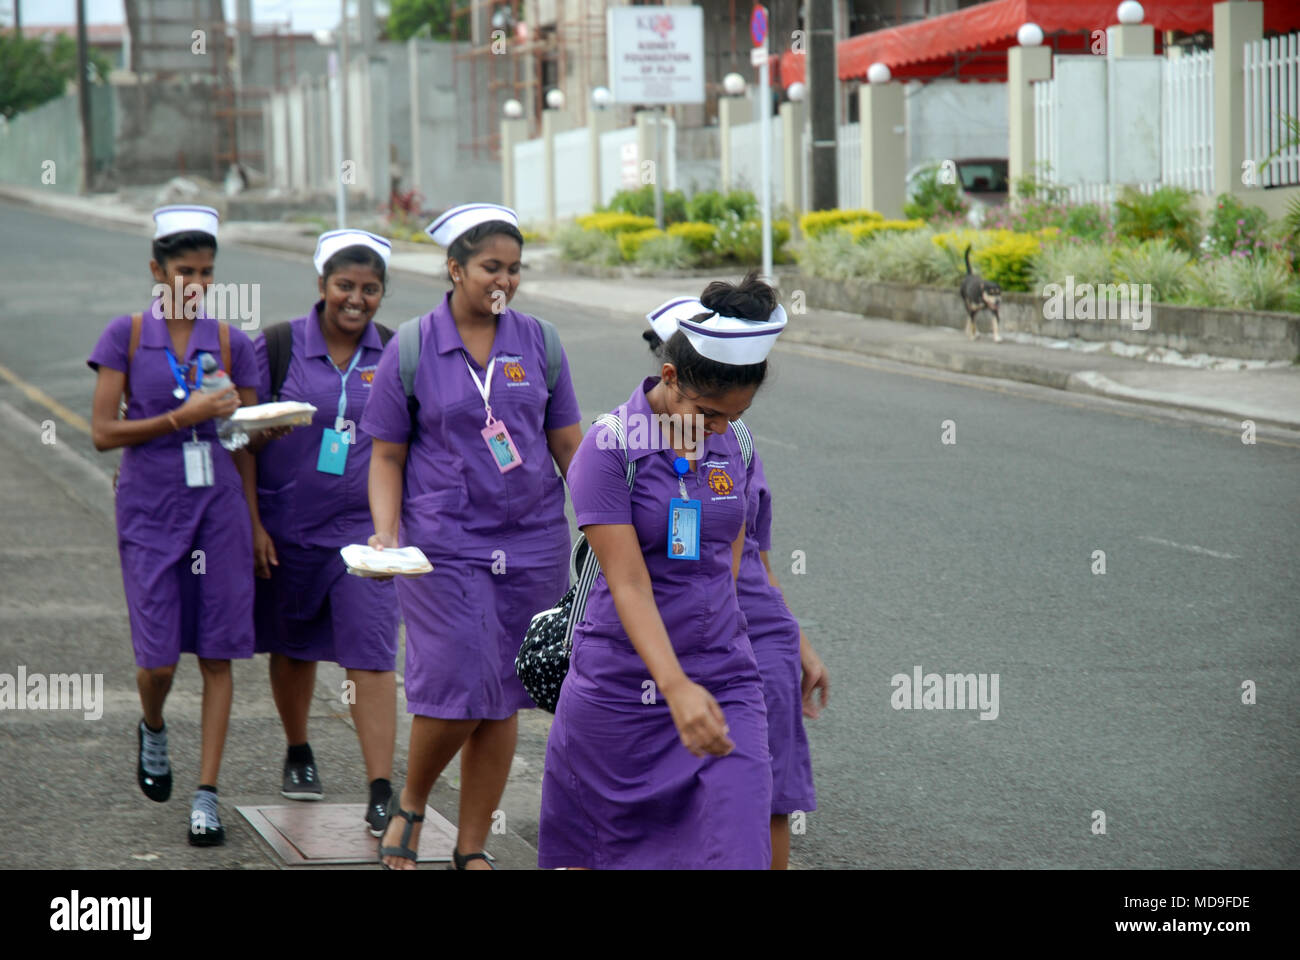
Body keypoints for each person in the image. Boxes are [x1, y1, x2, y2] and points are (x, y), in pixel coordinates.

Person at [537, 273, 788, 870]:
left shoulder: (736, 440)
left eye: (736, 414)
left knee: (736, 852)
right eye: (707, 414)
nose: (720, 429)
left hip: (725, 683)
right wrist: (675, 686)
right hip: (621, 693)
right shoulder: (610, 448)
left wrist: (749, 649)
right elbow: (628, 583)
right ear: (670, 378)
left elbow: (729, 559)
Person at [361, 202, 583, 870]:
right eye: (491, 266)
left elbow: (570, 445)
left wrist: (612, 525)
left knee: (502, 697)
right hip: (443, 548)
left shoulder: (540, 342)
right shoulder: (412, 347)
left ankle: (472, 845)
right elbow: (387, 456)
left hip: (532, 543)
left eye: (514, 269)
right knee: (457, 688)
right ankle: (413, 801)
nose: (504, 281)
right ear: (454, 268)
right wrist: (382, 532)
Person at [87, 204, 259, 847]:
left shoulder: (230, 344)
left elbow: (243, 443)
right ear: (156, 270)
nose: (197, 283)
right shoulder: (126, 336)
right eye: (184, 271)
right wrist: (182, 417)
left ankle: (207, 794)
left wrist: (255, 519)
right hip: (150, 509)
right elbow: (103, 433)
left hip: (218, 511)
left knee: (218, 652)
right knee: (157, 660)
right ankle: (153, 725)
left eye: (208, 272)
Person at [642, 289, 830, 869]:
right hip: (666, 650)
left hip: (752, 642)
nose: (717, 423)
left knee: (764, 797)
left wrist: (794, 639)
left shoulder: (737, 441)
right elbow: (609, 574)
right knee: (666, 802)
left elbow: (757, 561)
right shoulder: (623, 444)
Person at [248, 229, 400, 838]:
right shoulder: (278, 346)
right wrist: (254, 522)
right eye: (345, 286)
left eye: (369, 289)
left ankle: (381, 788)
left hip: (364, 536)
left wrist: (396, 528)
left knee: (371, 655)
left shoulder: (392, 352)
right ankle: (298, 748)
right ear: (321, 287)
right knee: (292, 647)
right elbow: (238, 436)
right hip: (287, 526)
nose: (356, 299)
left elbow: (406, 442)